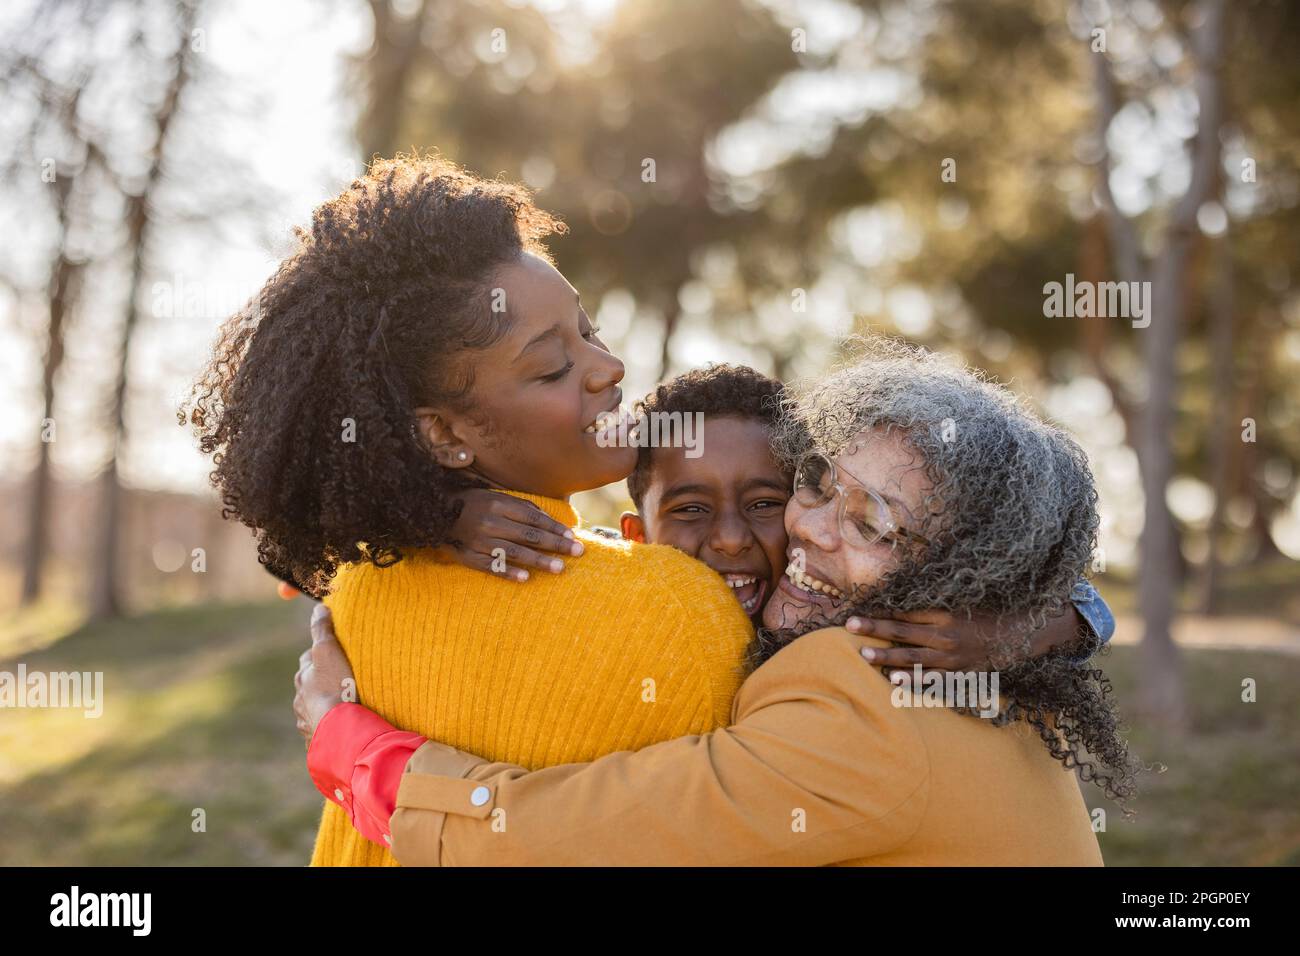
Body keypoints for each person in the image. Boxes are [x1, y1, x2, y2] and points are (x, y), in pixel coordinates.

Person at [296, 340, 1135, 865]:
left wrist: (351, 746)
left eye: (873, 524)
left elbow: (553, 838)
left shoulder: (868, 694)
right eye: (821, 489)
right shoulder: (968, 668)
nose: (805, 531)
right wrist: (440, 511)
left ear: (969, 578)